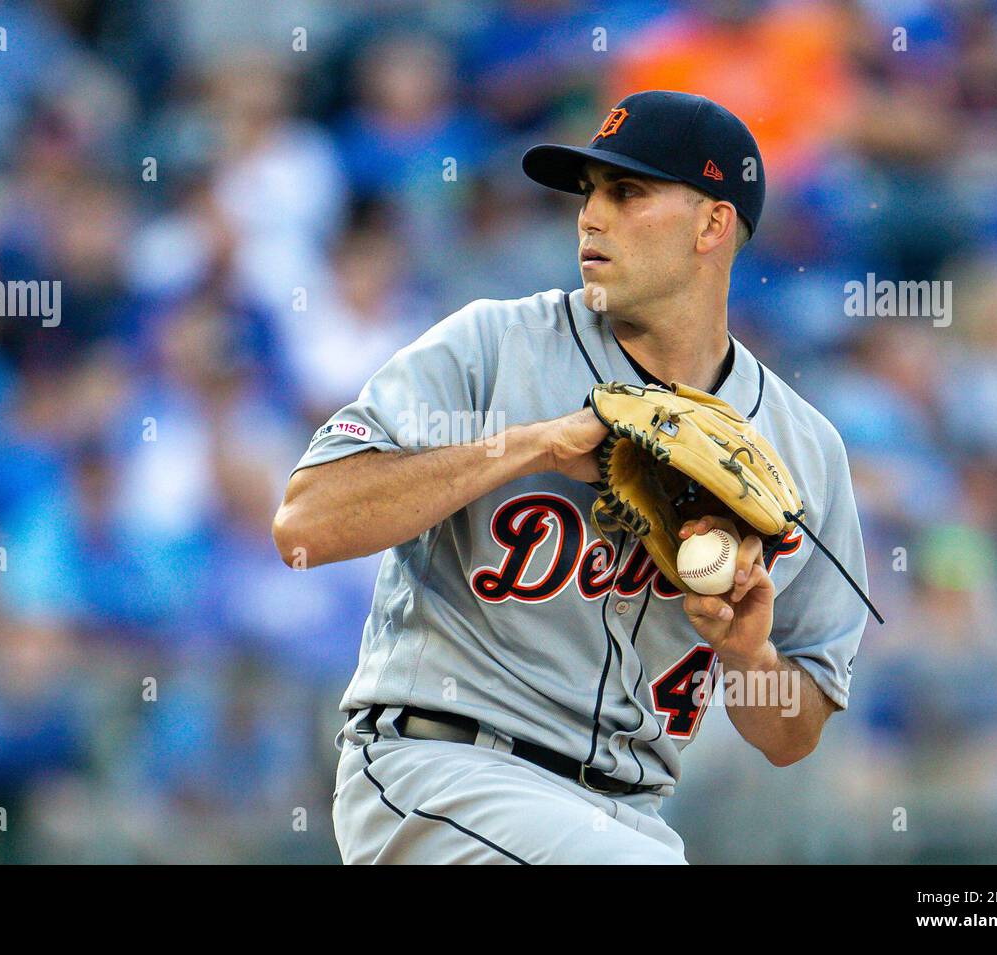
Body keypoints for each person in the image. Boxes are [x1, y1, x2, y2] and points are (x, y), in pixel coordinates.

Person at [272, 91, 871, 864]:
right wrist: (532, 446)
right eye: (589, 194)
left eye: (627, 194)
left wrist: (748, 655)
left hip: (628, 813)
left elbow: (793, 735)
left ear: (712, 224)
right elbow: (305, 523)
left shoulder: (802, 448)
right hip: (442, 773)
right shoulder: (494, 345)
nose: (590, 218)